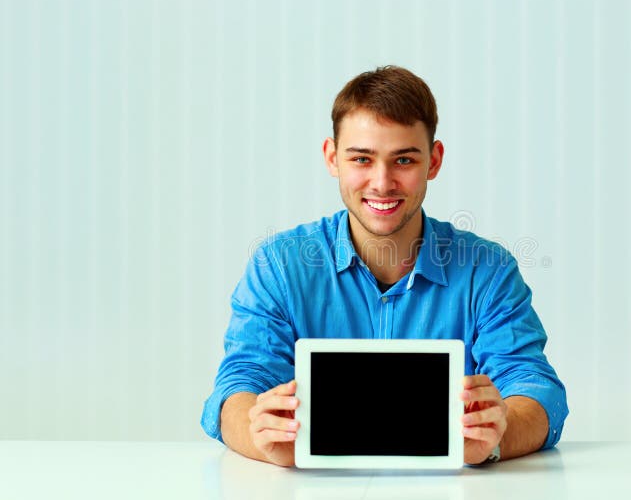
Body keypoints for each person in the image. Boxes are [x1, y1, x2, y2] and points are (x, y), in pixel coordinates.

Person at [201, 65, 568, 467]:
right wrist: (265, 442)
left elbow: (534, 387)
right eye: (361, 159)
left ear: (433, 160)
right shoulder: (279, 266)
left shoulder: (488, 270)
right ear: (332, 157)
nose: (381, 182)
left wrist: (497, 438)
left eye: (404, 160)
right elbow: (239, 384)